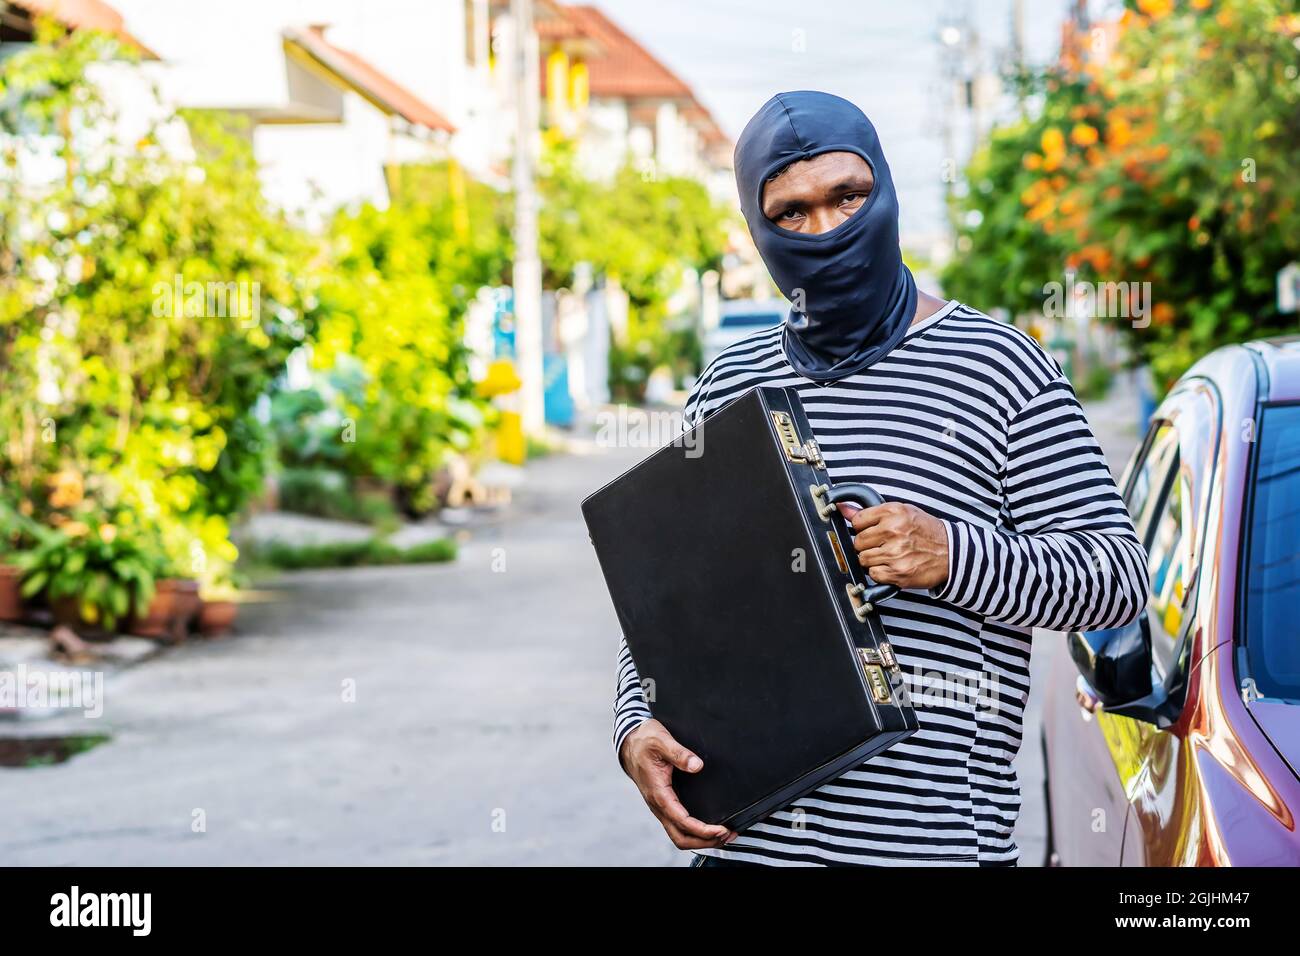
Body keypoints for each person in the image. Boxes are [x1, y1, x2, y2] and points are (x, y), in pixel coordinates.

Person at [612, 91, 1149, 867]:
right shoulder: (730, 383)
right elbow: (667, 605)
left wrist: (953, 556)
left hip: (932, 853)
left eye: (848, 197)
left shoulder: (1000, 368)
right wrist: (635, 726)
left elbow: (1115, 581)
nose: (826, 231)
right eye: (791, 213)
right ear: (757, 228)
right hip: (745, 849)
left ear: (887, 190)